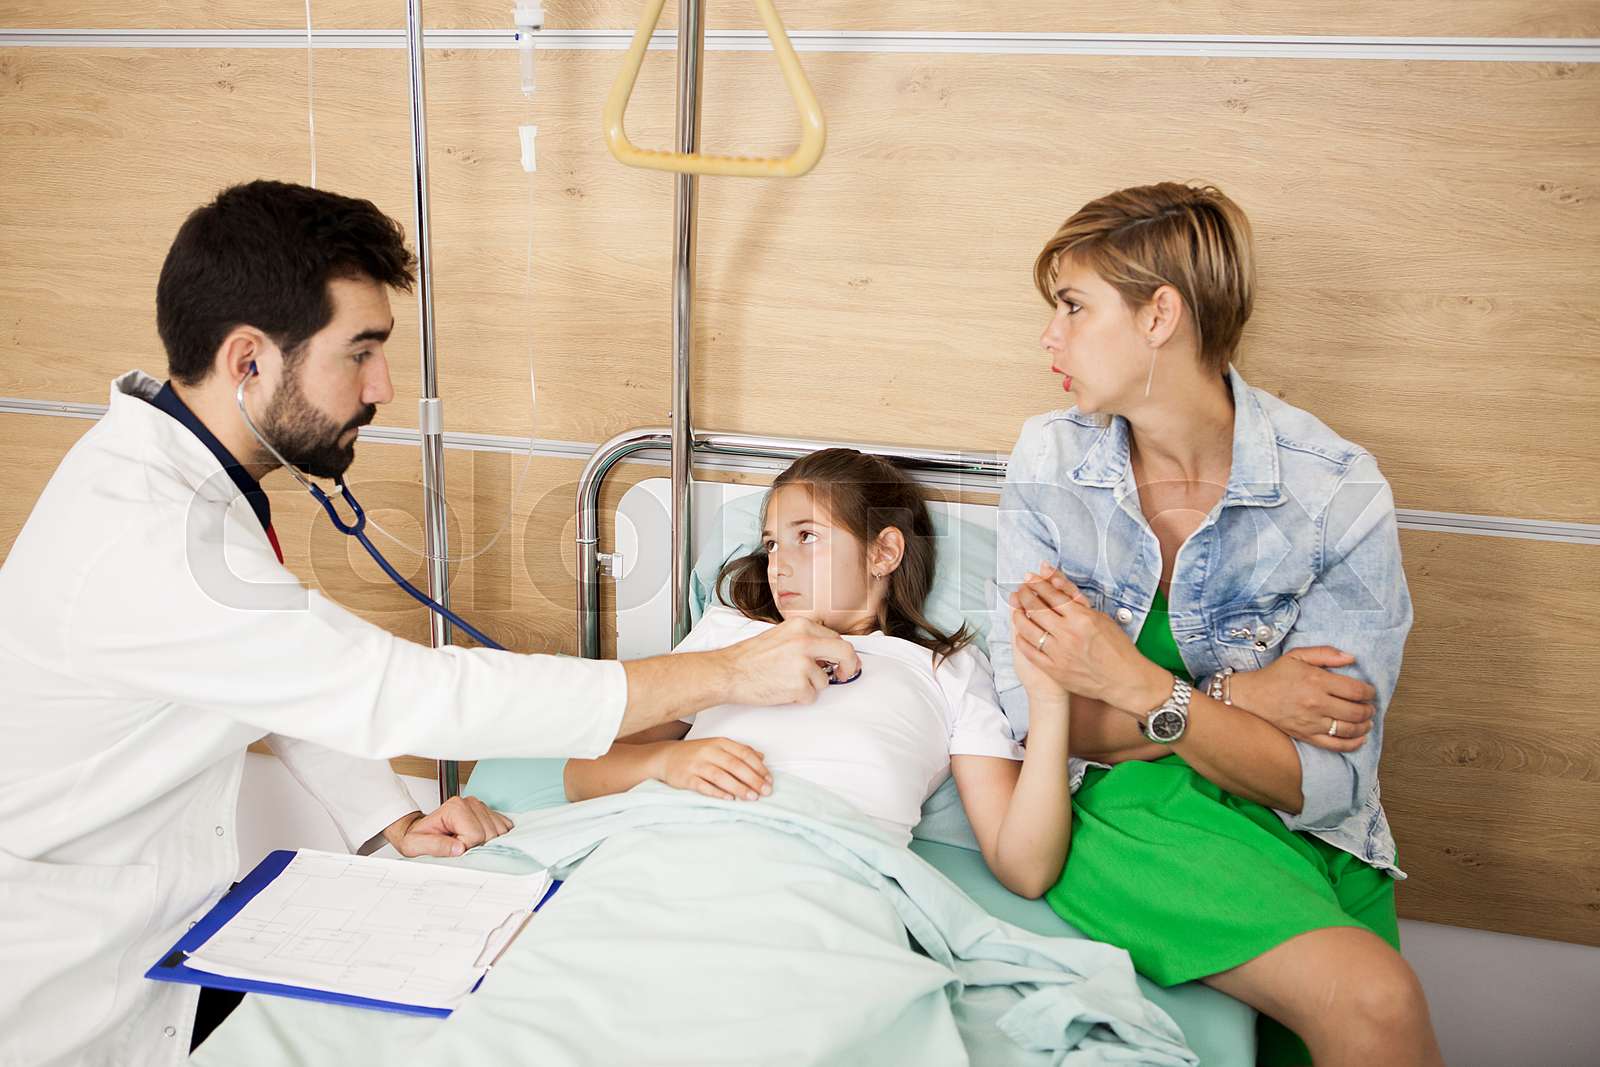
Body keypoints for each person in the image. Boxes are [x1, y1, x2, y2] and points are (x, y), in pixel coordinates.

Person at [0, 180, 857, 1067]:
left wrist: (386, 818)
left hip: (171, 934)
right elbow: (395, 689)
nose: (384, 386)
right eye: (360, 352)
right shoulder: (148, 540)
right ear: (249, 360)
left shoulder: (194, 487)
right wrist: (726, 671)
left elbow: (279, 680)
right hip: (67, 989)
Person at [989, 182, 1444, 1067]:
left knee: (1366, 1012)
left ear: (1160, 314)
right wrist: (1241, 699)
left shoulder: (1336, 492)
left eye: (1074, 307)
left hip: (1303, 830)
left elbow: (1324, 781)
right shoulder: (1049, 463)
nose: (1050, 337)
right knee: (1376, 999)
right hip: (1129, 811)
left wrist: (1142, 688)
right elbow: (1040, 720)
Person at [565, 448, 1075, 898]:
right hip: (676, 853)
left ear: (884, 552)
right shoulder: (731, 635)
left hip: (827, 884)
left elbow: (1025, 870)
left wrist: (1051, 703)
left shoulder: (946, 667)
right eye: (770, 545)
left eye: (806, 536)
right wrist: (666, 762)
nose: (778, 565)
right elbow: (581, 773)